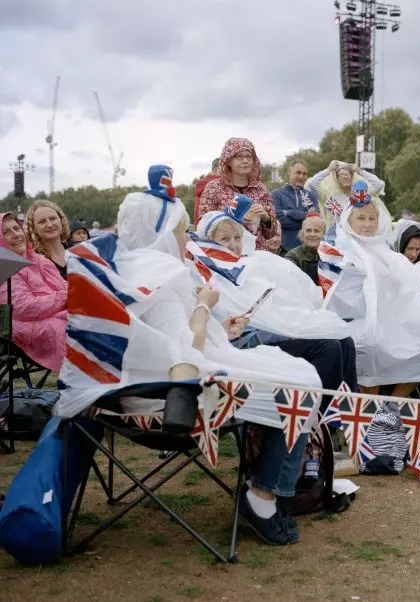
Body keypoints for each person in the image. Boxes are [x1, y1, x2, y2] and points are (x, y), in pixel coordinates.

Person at [57, 166, 324, 544]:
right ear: (161, 232)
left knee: (294, 372)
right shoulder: (163, 278)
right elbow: (186, 351)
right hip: (172, 396)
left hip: (144, 385)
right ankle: (262, 497)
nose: (187, 239)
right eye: (182, 231)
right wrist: (203, 303)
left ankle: (265, 488)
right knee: (300, 384)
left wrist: (221, 330)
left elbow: (168, 339)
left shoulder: (131, 268)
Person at [192, 201, 357, 399]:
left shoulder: (248, 264)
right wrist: (289, 330)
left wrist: (294, 322)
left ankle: (344, 411)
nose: (234, 244)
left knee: (344, 339)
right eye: (225, 239)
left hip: (273, 331)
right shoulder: (205, 275)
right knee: (328, 346)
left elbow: (278, 304)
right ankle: (315, 417)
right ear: (208, 241)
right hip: (249, 342)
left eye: (237, 237)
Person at [322, 182, 420, 397]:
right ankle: (370, 407)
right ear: (348, 219)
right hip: (354, 319)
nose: (367, 224)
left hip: (390, 317)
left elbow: (403, 289)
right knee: (372, 346)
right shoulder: (336, 248)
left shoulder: (385, 251)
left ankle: (391, 407)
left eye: (371, 218)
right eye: (361, 218)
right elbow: (337, 296)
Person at [0, 211, 67, 372]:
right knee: (72, 331)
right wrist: (66, 297)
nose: (15, 235)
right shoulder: (5, 268)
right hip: (24, 324)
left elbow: (63, 287)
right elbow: (24, 308)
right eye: (5, 233)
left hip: (53, 313)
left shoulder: (41, 260)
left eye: (16, 228)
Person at [198, 138, 280, 253]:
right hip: (225, 254)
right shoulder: (214, 187)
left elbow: (270, 234)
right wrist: (232, 218)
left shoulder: (261, 189)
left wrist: (266, 217)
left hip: (255, 254)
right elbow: (204, 224)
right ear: (229, 160)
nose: (245, 160)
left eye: (249, 157)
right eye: (240, 157)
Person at [306, 160, 384, 230]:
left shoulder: (361, 196)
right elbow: (312, 184)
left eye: (348, 174)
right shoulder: (329, 198)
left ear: (352, 176)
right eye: (341, 174)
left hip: (356, 238)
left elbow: (379, 185)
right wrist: (328, 170)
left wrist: (360, 172)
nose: (345, 176)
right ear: (336, 178)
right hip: (335, 240)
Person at [271, 160, 320, 252]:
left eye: (304, 174)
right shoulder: (276, 194)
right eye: (298, 172)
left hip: (308, 251)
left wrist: (289, 213)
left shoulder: (310, 195)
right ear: (289, 172)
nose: (301, 176)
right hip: (284, 250)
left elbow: (316, 221)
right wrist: (306, 218)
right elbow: (278, 221)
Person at [25, 199, 69, 279]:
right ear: (33, 228)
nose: (49, 225)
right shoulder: (33, 262)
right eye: (42, 221)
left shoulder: (77, 251)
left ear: (61, 221)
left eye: (53, 218)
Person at [285, 212, 326, 286]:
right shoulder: (293, 256)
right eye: (308, 230)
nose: (312, 234)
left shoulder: (329, 256)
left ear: (323, 234)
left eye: (316, 231)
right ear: (302, 233)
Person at [193, 157, 220, 226]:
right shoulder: (218, 185)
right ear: (218, 169)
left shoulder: (202, 184)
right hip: (215, 232)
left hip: (200, 231)